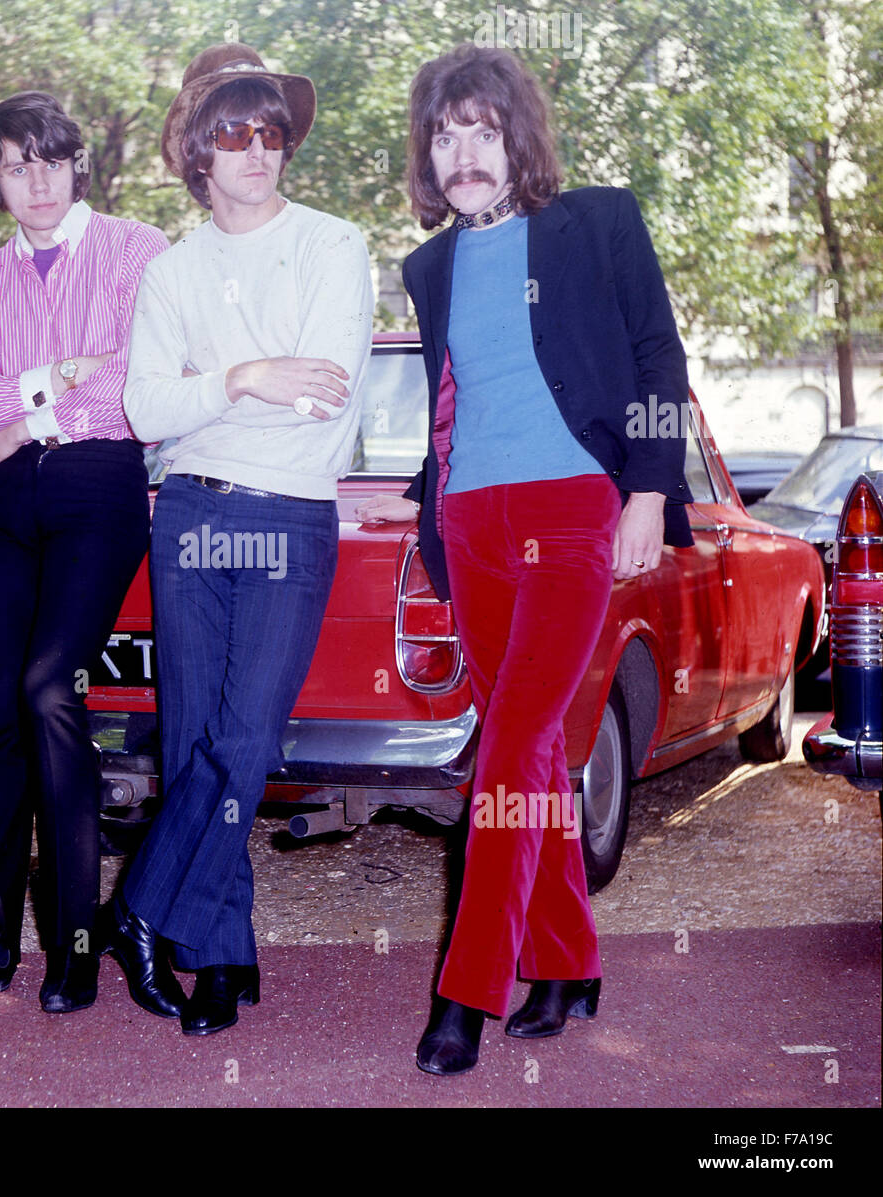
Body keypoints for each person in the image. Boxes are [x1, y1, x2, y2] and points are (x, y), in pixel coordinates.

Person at [357, 43, 693, 1074]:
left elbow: (656, 358)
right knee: (535, 755)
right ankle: (564, 960)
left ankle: (466, 991)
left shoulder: (595, 225)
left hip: (572, 515)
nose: (462, 150)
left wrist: (647, 488)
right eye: (444, 132)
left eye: (481, 128)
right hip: (469, 523)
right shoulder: (428, 266)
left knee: (505, 750)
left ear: (517, 137)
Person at [106, 43, 374, 1035]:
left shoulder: (334, 245)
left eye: (270, 131)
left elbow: (328, 417)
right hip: (186, 513)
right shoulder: (171, 271)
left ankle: (135, 908)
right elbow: (144, 410)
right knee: (191, 745)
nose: (255, 150)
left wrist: (208, 393)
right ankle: (218, 954)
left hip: (286, 513)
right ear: (199, 153)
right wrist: (247, 378)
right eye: (232, 132)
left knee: (247, 739)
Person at [0, 93, 168, 1018]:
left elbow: (140, 383)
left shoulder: (140, 252)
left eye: (52, 161)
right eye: (17, 166)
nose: (38, 181)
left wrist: (26, 418)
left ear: (77, 166)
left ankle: (76, 943)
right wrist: (56, 384)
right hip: (9, 504)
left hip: (100, 490)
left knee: (52, 688)